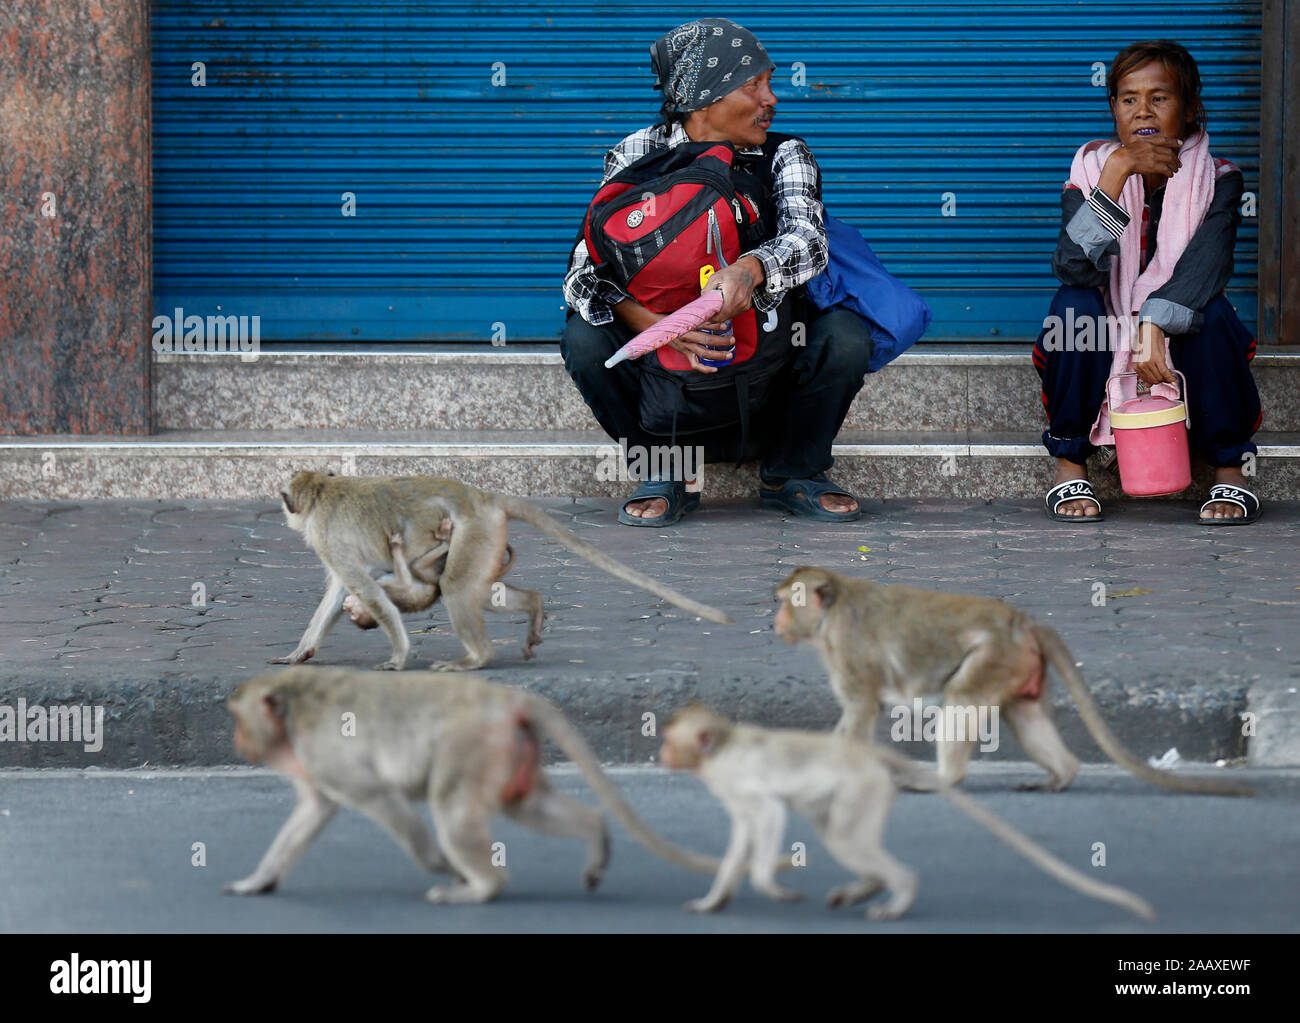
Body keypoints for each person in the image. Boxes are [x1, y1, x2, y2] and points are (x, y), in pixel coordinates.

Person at [561, 18, 872, 526]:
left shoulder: (784, 154)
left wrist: (749, 272)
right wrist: (661, 326)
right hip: (671, 383)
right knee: (585, 338)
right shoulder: (637, 152)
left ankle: (792, 471)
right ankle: (666, 469)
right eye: (754, 85)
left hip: (768, 366)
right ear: (704, 97)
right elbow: (582, 272)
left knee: (846, 334)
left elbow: (809, 242)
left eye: (769, 83)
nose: (772, 99)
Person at [1033, 39, 1262, 524]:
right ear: (1113, 108)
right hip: (1105, 333)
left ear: (1190, 107)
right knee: (1074, 307)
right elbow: (1075, 267)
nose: (1143, 111)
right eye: (1128, 98)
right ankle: (1070, 462)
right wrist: (1115, 178)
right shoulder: (1090, 172)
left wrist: (1153, 324)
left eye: (1160, 97)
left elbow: (1208, 266)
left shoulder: (1219, 177)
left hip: (1175, 331)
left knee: (1215, 312)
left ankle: (1229, 469)